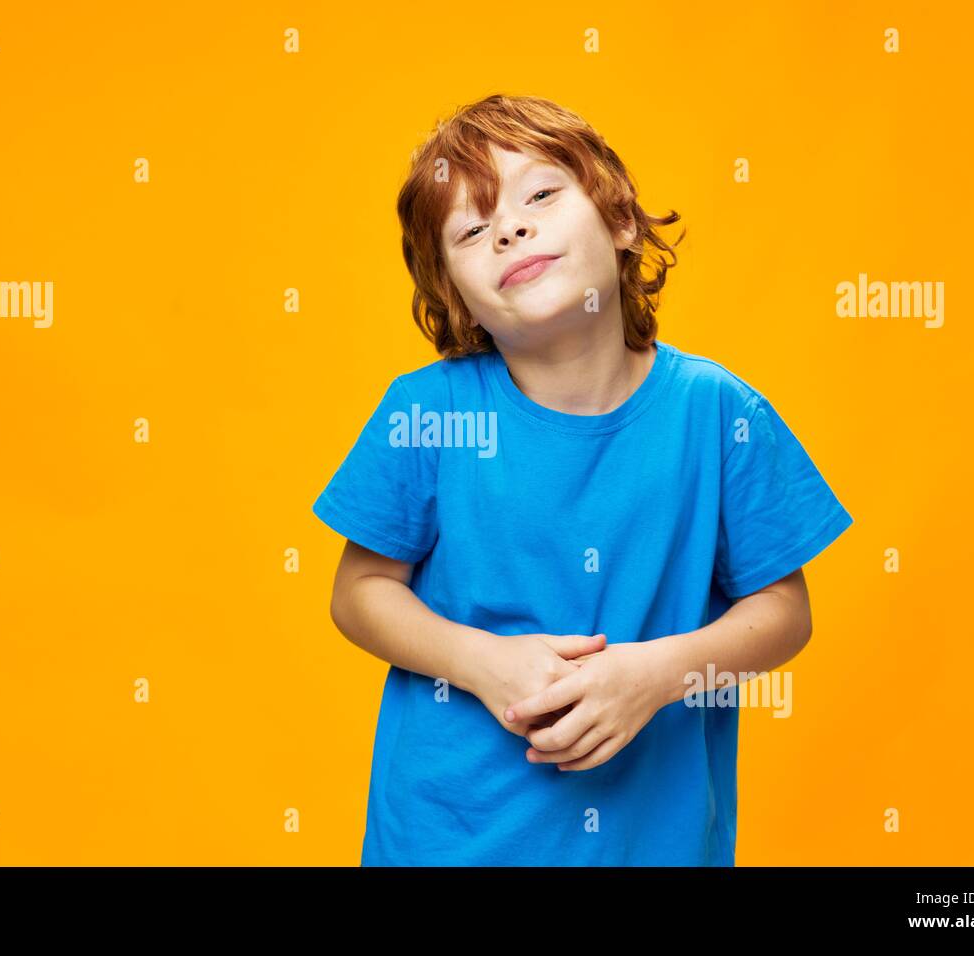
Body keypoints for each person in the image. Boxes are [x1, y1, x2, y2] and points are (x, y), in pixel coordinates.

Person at [312, 93, 853, 865]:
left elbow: (783, 610)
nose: (510, 228)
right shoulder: (427, 409)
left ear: (622, 222)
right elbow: (358, 592)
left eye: (539, 195)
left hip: (653, 843)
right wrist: (483, 663)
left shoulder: (718, 412)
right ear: (454, 296)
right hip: (445, 839)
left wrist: (658, 674)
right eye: (473, 230)